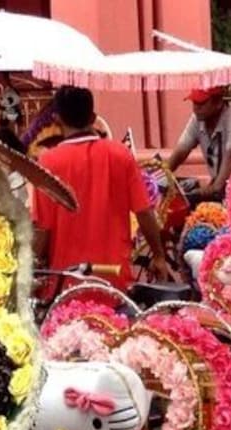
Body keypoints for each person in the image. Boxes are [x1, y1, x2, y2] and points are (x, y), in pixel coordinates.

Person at [32, 87, 177, 290]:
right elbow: (144, 212)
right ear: (93, 117)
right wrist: (159, 256)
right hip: (115, 281)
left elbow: (42, 230)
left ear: (56, 119)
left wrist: (31, 272)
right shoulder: (120, 154)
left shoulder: (48, 163)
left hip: (66, 284)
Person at [165, 86, 231, 203]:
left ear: (219, 103)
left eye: (201, 103)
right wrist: (160, 176)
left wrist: (214, 188)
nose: (196, 108)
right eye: (194, 103)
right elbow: (181, 151)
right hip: (224, 191)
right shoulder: (197, 119)